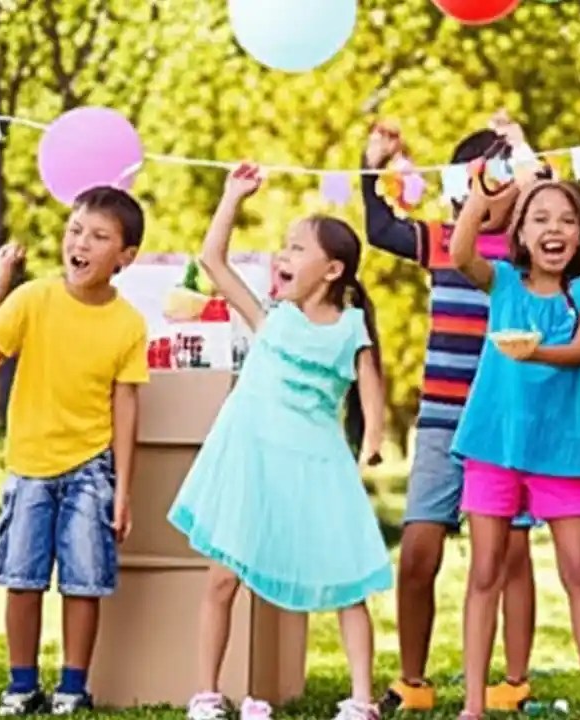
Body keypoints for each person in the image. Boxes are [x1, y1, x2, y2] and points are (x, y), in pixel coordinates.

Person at [170, 164, 392, 720]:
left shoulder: (350, 326)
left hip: (316, 464)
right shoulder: (270, 318)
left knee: (346, 583)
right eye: (284, 246)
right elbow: (213, 262)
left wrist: (374, 438)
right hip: (252, 460)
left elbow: (371, 384)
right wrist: (232, 196)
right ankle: (206, 693)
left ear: (332, 269)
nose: (282, 256)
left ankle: (362, 699)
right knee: (222, 577)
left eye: (296, 248)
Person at [362, 118, 542, 713]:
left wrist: (522, 149)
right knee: (418, 551)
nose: (484, 195)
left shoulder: (531, 251)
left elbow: (556, 196)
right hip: (442, 419)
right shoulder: (444, 241)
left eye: (500, 181)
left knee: (510, 555)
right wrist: (373, 167)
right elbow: (381, 228)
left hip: (505, 424)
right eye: (472, 185)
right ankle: (412, 680)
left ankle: (513, 681)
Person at [449, 177, 580, 720]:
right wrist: (481, 197)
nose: (554, 229)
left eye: (566, 220)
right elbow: (458, 251)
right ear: (519, 230)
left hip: (559, 452)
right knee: (485, 571)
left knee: (579, 571)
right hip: (492, 445)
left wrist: (532, 352)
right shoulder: (502, 284)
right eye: (539, 217)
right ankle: (473, 705)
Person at [0, 188, 148, 715]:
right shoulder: (32, 299)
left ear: (125, 258)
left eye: (99, 236)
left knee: (84, 584)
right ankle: (22, 685)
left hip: (91, 469)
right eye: (75, 229)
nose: (81, 242)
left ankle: (73, 689)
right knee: (22, 581)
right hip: (30, 466)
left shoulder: (128, 323)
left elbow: (126, 407)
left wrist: (123, 490)